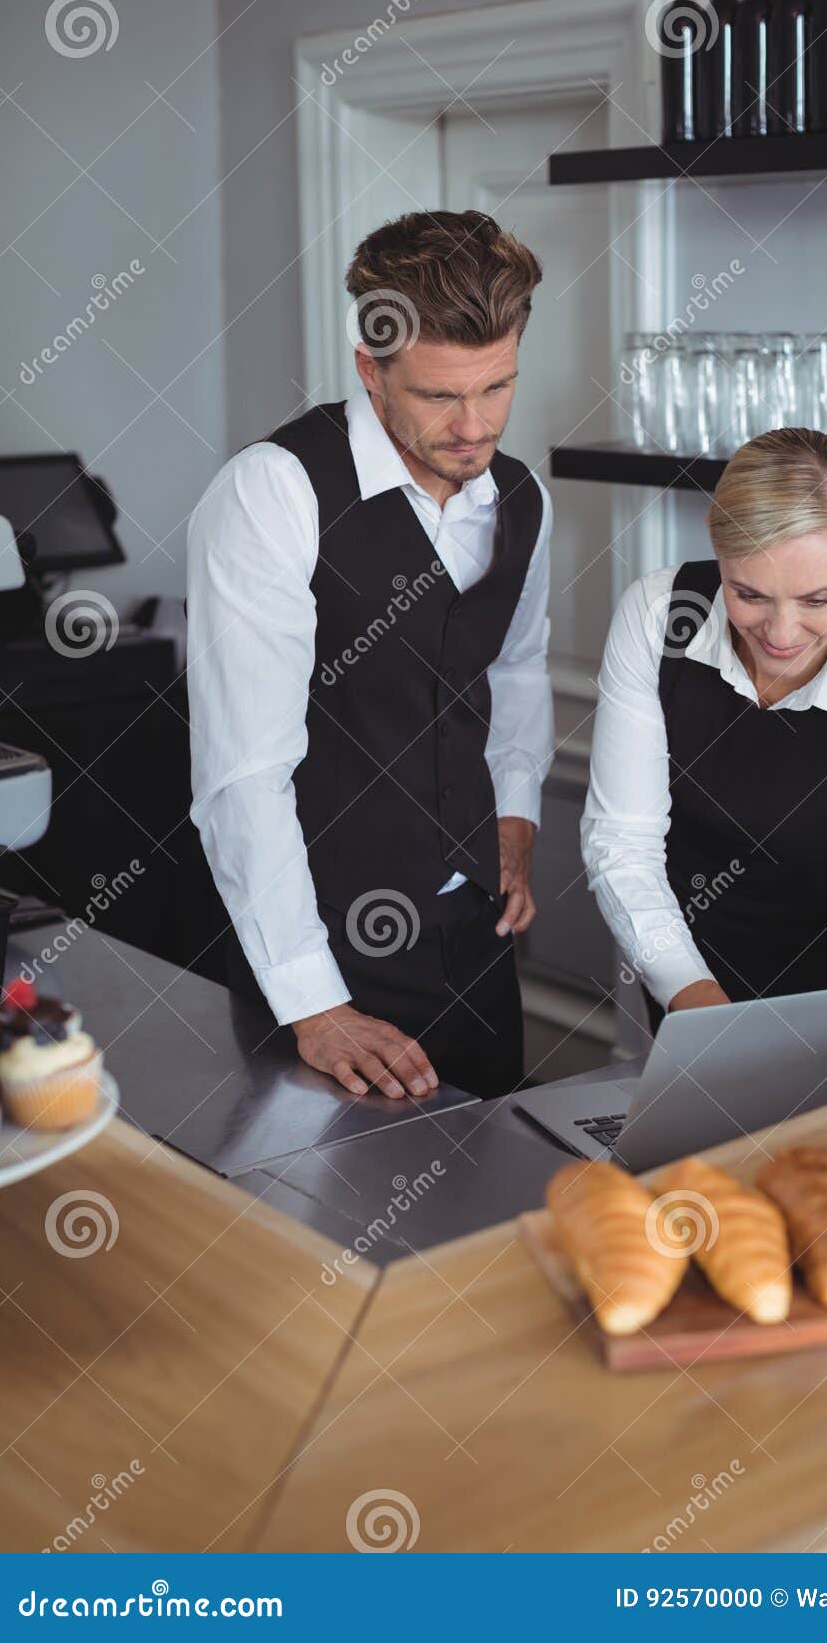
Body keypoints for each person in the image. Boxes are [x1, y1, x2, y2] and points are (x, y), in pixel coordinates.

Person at [187, 210, 553, 1099]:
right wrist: (313, 1005)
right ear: (371, 370)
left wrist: (513, 810)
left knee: (495, 1199)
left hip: (475, 935)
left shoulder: (518, 495)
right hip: (321, 939)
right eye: (438, 396)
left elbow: (514, 668)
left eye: (497, 387)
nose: (474, 427)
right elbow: (244, 773)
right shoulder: (273, 492)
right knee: (325, 1224)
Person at [581, 427, 827, 1034]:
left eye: (817, 601)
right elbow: (623, 843)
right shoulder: (660, 619)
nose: (782, 634)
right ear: (716, 541)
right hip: (688, 989)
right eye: (749, 594)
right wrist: (701, 1010)